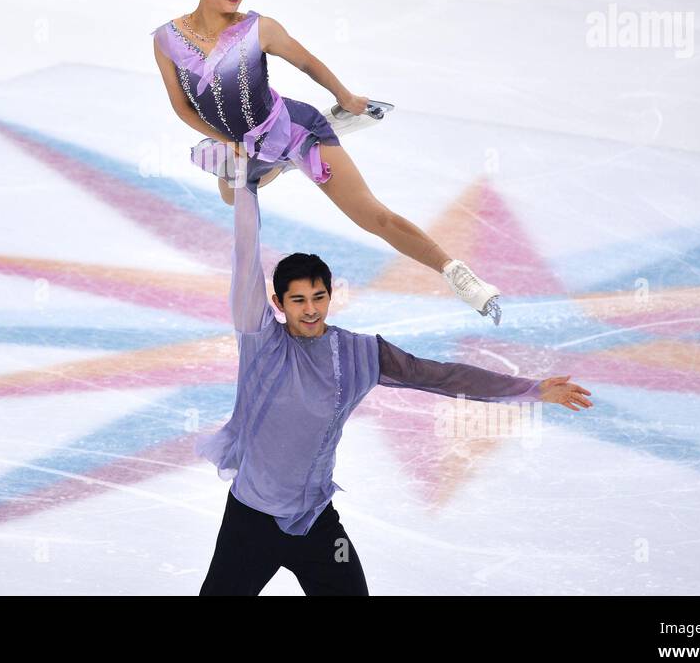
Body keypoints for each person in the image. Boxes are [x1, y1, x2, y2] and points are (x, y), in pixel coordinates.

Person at [196, 154, 593, 596]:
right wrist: (245, 187)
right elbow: (245, 255)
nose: (310, 309)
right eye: (298, 300)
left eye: (319, 296)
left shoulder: (358, 353)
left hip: (315, 523)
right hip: (250, 522)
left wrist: (532, 389)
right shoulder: (262, 343)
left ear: (330, 296)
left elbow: (442, 376)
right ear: (278, 302)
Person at [152, 0, 503, 324]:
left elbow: (307, 62)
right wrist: (226, 143)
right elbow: (181, 106)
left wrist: (346, 96)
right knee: (230, 196)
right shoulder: (167, 40)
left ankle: (456, 272)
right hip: (243, 147)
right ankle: (276, 162)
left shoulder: (259, 29)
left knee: (372, 216)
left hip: (296, 129)